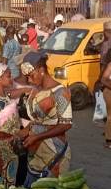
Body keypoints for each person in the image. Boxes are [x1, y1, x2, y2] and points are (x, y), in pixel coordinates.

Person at [19, 51, 72, 180]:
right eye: (27, 77)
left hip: (54, 154)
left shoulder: (60, 92)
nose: (29, 80)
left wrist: (37, 136)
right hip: (35, 153)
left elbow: (66, 124)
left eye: (31, 75)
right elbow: (38, 120)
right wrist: (25, 131)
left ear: (41, 70)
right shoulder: (36, 89)